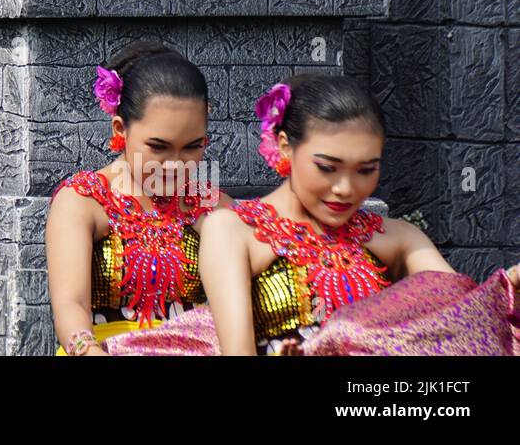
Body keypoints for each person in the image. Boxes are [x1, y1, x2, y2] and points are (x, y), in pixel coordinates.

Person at [106, 74, 520, 355]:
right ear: (286, 146)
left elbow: (461, 317)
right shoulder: (233, 229)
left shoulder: (399, 238)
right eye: (327, 167)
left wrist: (507, 290)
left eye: (366, 170)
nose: (346, 188)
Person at [45, 42, 230, 355]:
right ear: (121, 129)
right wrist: (89, 351)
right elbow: (70, 304)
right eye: (158, 146)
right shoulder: (82, 201)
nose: (175, 164)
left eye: (192, 147)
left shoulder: (213, 207)